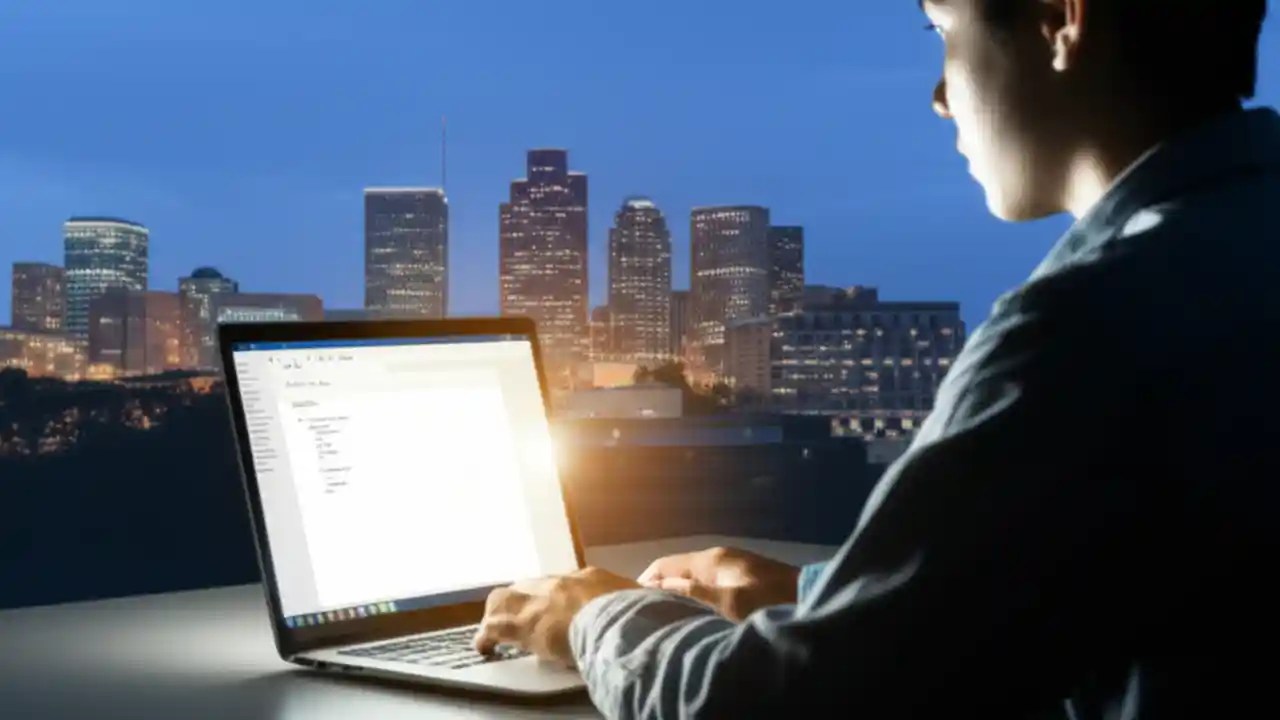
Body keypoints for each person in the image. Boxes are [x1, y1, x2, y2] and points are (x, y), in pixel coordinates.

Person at [474, 0, 1280, 716]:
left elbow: (779, 706)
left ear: (1061, 20)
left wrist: (590, 618)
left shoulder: (1085, 331)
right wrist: (827, 598)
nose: (937, 95)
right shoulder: (1242, 248)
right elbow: (1092, 587)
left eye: (944, 31)